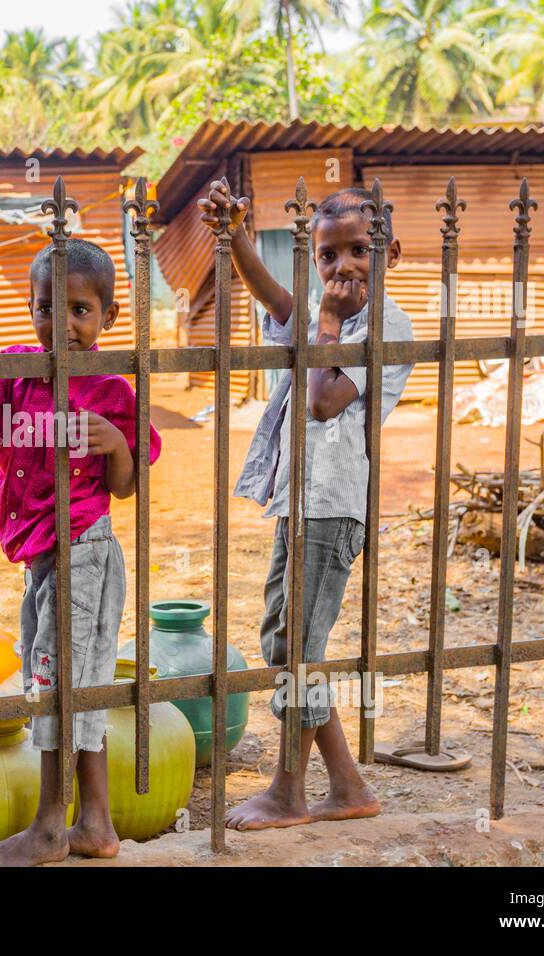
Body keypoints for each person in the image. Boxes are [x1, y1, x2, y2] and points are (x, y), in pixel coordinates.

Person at [0, 237, 162, 866]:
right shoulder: (15, 372)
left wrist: (116, 446)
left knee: (62, 685)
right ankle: (98, 826)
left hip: (85, 551)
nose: (63, 324)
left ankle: (53, 826)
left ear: (107, 317)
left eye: (81, 310)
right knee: (66, 680)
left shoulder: (111, 388)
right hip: (42, 560)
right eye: (48, 307)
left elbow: (126, 488)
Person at [199, 181, 413, 830]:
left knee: (297, 647)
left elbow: (322, 399)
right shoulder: (325, 311)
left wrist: (327, 319)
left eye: (358, 249)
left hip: (334, 505)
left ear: (389, 252)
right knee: (287, 640)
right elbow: (273, 295)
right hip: (300, 501)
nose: (343, 266)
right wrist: (234, 233)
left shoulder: (386, 324)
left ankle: (289, 793)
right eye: (328, 255)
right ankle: (347, 786)